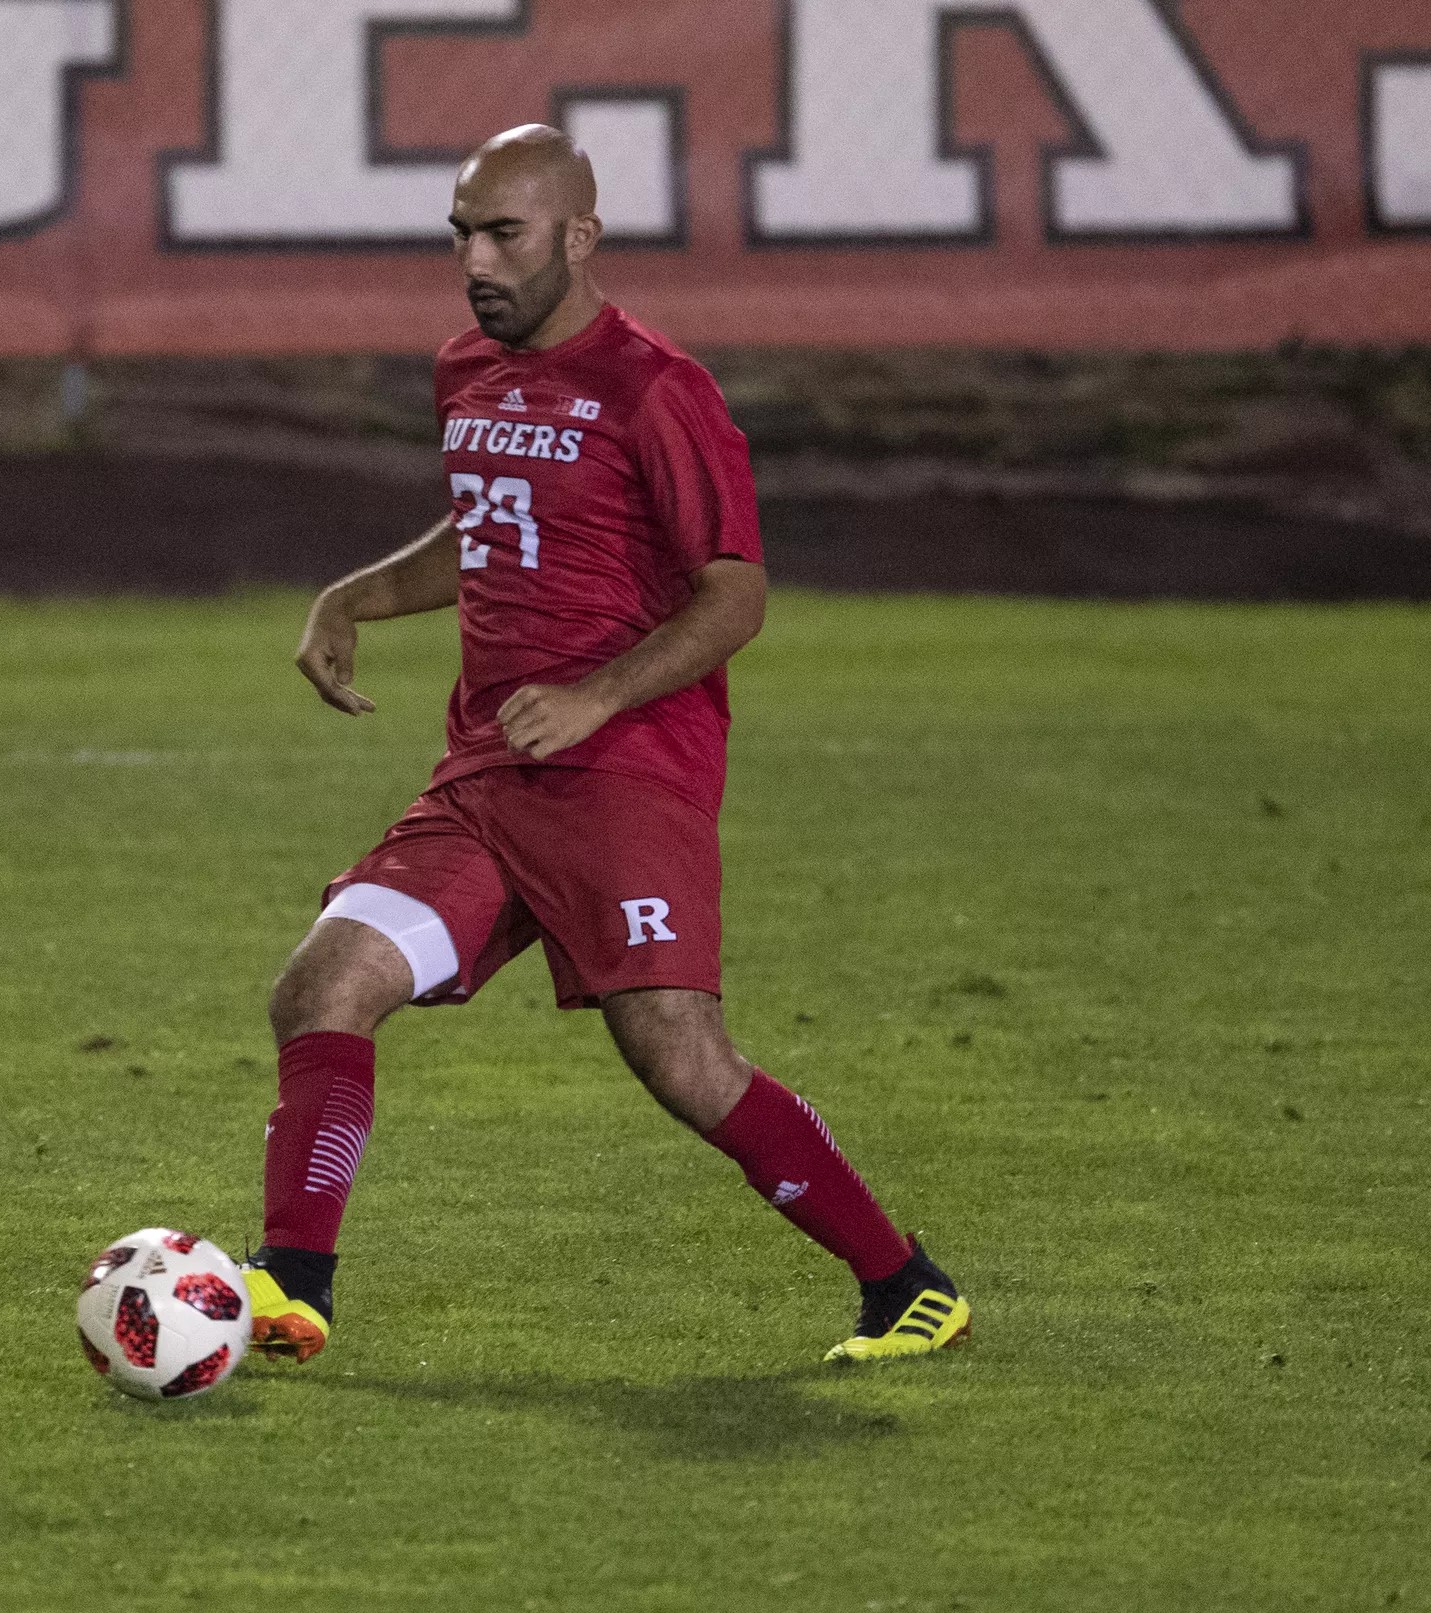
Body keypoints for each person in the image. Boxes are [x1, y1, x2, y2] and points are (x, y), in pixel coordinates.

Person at [240, 125, 967, 1366]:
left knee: (679, 1056)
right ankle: (289, 1286)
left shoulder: (657, 388)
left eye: (502, 233)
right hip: (488, 772)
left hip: (627, 772)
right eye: (460, 233)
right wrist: (353, 596)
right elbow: (492, 526)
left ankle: (905, 1287)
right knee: (321, 984)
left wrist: (594, 696)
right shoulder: (466, 370)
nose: (474, 260)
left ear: (579, 236)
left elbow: (734, 593)